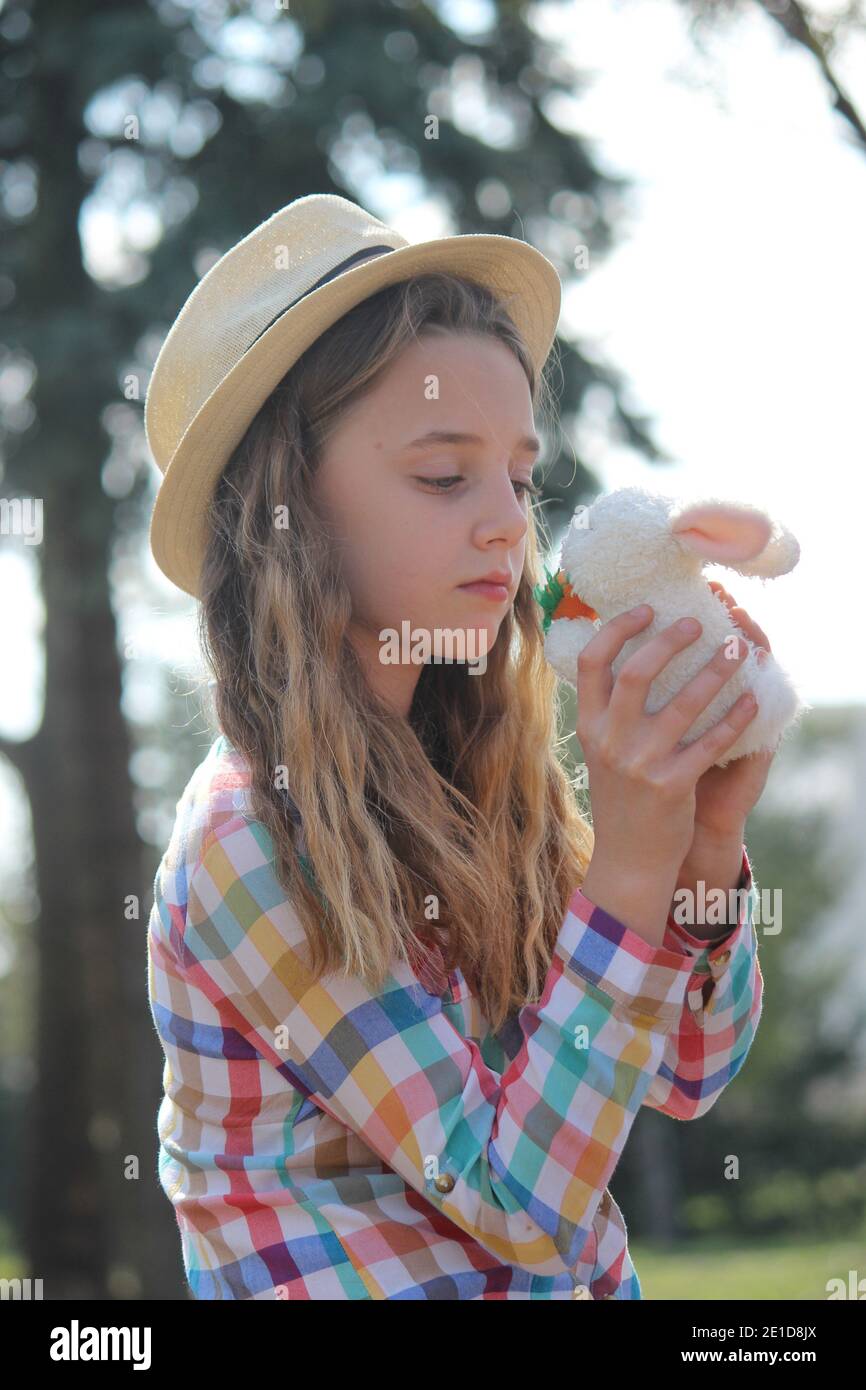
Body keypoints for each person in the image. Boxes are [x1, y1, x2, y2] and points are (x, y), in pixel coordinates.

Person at [145, 193, 768, 1300]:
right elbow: (518, 1204)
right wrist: (625, 870)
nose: (503, 521)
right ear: (285, 508)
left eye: (518, 478)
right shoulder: (250, 833)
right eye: (443, 475)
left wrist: (702, 845)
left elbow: (683, 1072)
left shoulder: (478, 775)